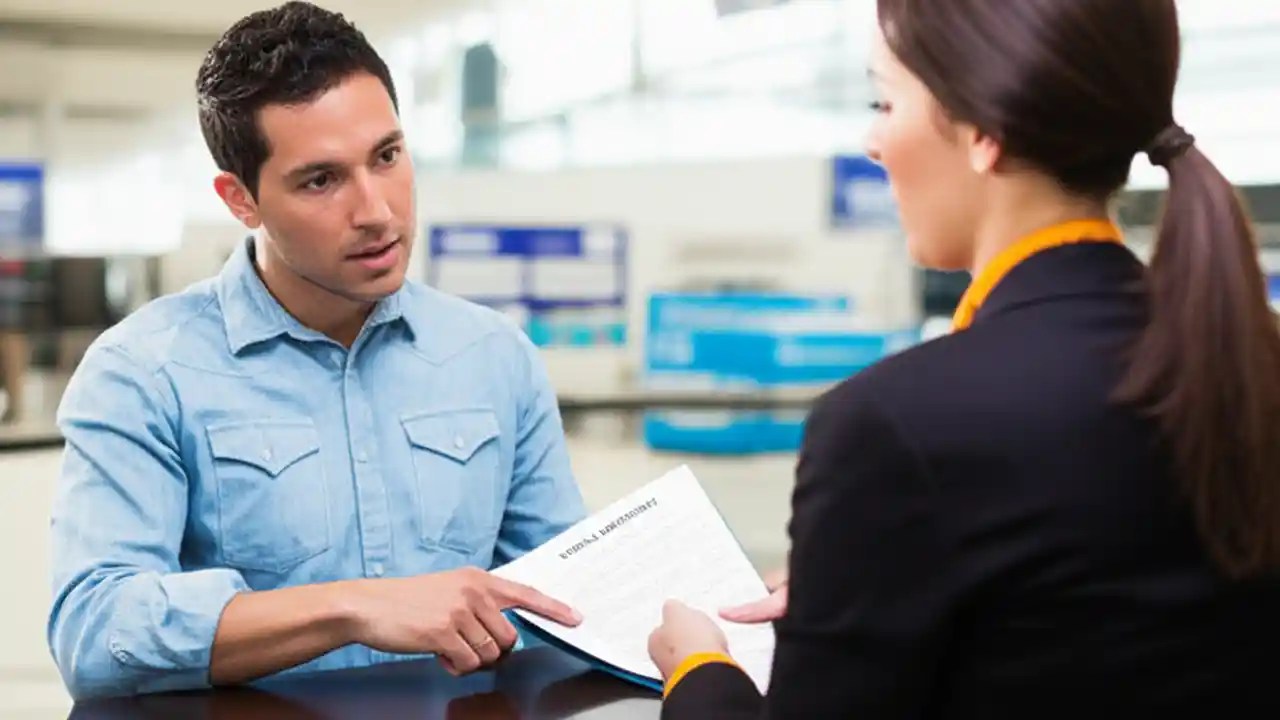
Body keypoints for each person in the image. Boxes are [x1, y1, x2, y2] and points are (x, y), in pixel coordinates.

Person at [649, 0, 1280, 716]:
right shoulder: (1245, 360)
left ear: (986, 133)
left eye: (885, 101)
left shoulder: (894, 424)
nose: (873, 142)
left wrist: (698, 667)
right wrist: (863, 578)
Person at [48, 2, 585, 700]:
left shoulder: (493, 356)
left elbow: (565, 599)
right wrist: (352, 609)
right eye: (321, 180)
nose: (376, 211)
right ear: (241, 199)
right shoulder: (144, 372)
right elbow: (95, 633)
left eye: (387, 157)